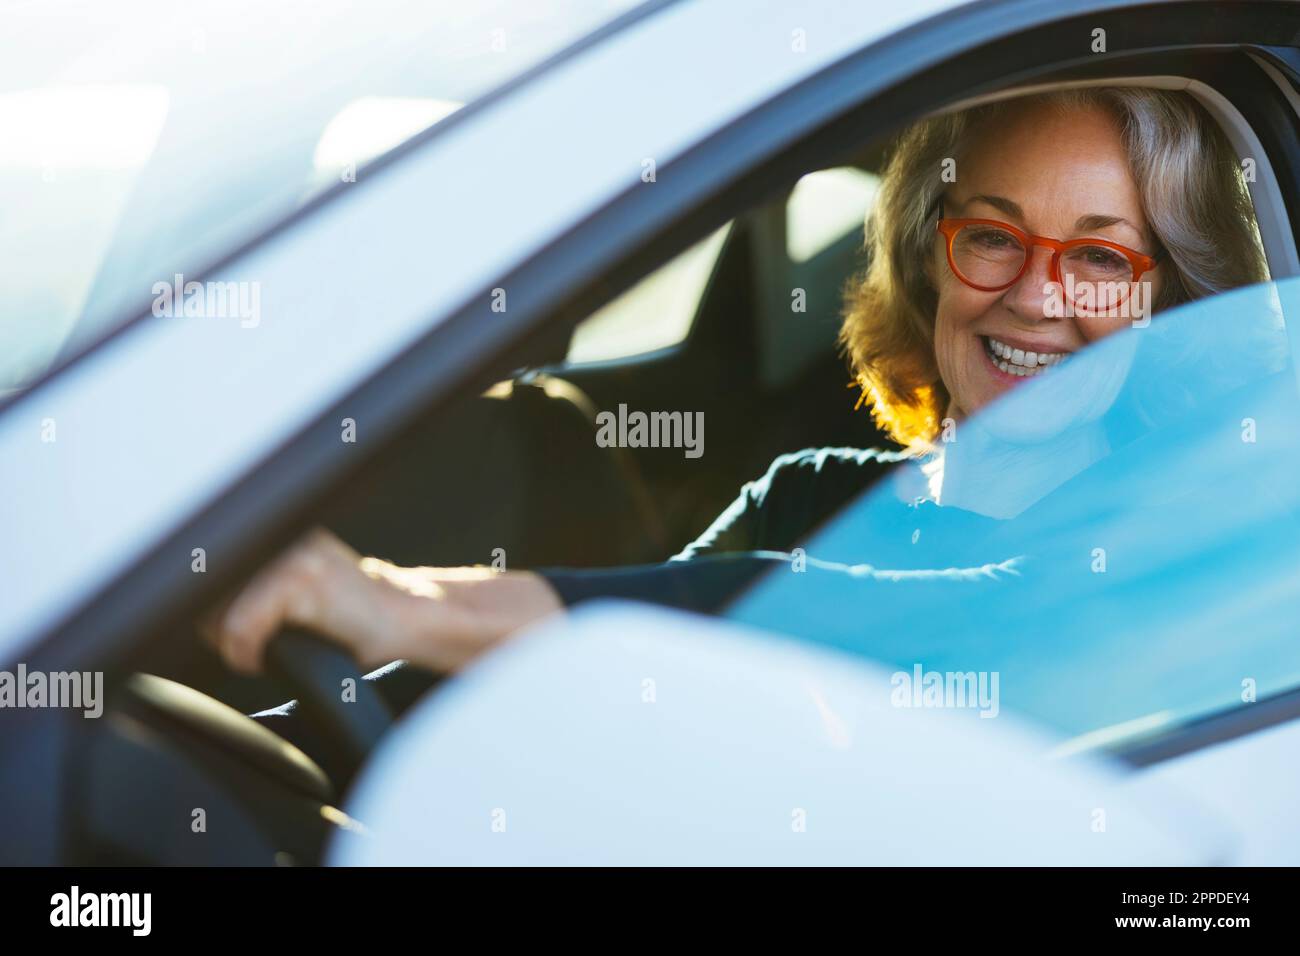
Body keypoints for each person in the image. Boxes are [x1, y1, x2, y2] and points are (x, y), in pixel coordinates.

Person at [204, 87, 1268, 681]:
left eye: (1096, 258)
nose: (1035, 296)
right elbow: (603, 677)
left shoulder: (1166, 527)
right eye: (991, 235)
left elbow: (843, 616)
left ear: (1169, 302)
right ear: (922, 257)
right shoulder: (804, 498)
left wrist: (397, 601)